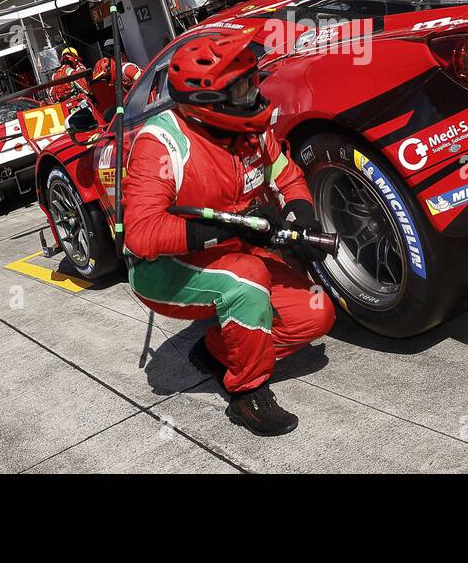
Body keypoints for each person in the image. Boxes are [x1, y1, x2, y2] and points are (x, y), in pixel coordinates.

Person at [124, 29, 335, 437]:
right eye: (242, 88)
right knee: (247, 281)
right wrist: (231, 227)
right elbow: (141, 234)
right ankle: (247, 394)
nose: (254, 95)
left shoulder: (252, 130)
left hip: (232, 253)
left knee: (314, 315)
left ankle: (215, 350)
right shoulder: (162, 144)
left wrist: (303, 217)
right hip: (163, 269)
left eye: (252, 81)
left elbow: (288, 178)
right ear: (207, 102)